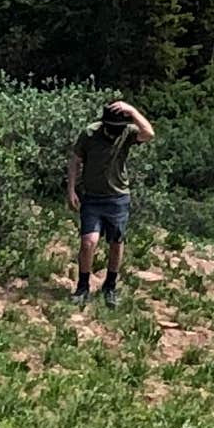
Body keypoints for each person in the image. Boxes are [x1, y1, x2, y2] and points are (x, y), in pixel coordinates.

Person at [68, 100, 155, 306]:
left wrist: (132, 110)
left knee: (116, 242)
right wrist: (71, 189)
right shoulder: (90, 134)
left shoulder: (127, 132)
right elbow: (75, 160)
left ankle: (110, 286)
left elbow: (149, 133)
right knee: (88, 242)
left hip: (118, 198)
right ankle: (82, 287)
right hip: (92, 197)